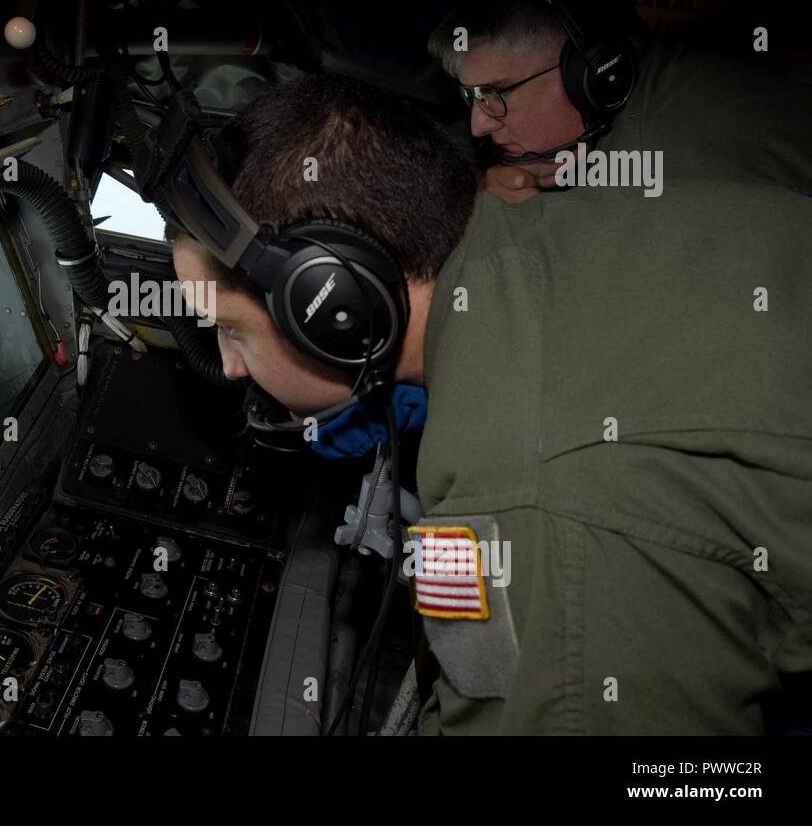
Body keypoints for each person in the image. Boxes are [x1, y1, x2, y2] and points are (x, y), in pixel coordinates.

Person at [167, 71, 812, 734]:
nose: (229, 364)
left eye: (231, 328)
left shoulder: (521, 497)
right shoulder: (555, 219)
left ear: (331, 306)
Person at [427, 0, 812, 203]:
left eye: (497, 92)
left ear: (597, 75)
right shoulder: (646, 93)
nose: (479, 124)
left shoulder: (709, 153)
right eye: (472, 95)